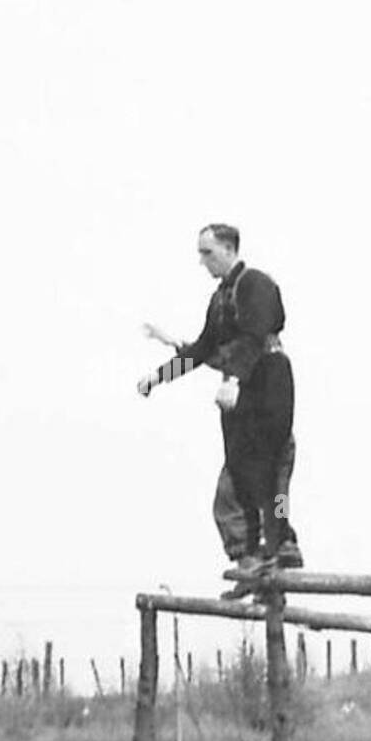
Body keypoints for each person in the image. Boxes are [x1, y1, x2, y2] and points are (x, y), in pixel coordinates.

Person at [138, 224, 303, 590]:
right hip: (242, 390)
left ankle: (276, 546)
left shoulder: (255, 284)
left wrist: (232, 380)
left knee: (268, 472)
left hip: (267, 383)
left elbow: (255, 336)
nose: (202, 261)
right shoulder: (220, 299)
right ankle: (258, 557)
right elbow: (202, 349)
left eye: (207, 252)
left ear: (229, 249)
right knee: (247, 478)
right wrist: (159, 377)